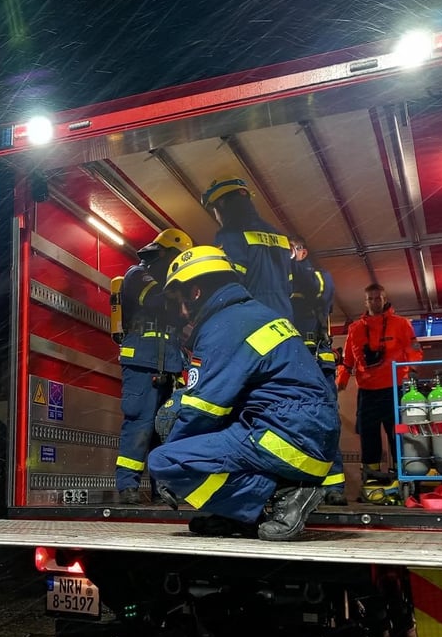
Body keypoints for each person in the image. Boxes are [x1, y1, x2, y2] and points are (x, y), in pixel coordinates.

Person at [147, 246, 339, 541]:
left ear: (195, 292)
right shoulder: (254, 314)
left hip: (287, 437)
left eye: (179, 299)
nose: (180, 310)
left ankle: (279, 498)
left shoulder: (222, 327)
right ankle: (237, 513)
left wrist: (174, 463)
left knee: (164, 458)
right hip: (305, 434)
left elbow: (203, 409)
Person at [115, 228, 193, 504]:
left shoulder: (175, 285)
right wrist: (177, 297)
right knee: (140, 423)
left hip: (169, 364)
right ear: (166, 252)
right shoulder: (138, 274)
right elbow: (156, 301)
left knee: (165, 427)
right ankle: (128, 486)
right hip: (142, 362)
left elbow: (183, 317)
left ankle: (162, 488)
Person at [335, 283, 422, 480]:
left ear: (385, 298)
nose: (375, 302)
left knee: (398, 435)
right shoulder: (355, 329)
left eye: (378, 298)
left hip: (395, 388)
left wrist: (413, 372)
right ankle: (371, 478)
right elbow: (347, 360)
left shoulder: (401, 324)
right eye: (371, 299)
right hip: (367, 391)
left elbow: (414, 350)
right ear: (365, 302)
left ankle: (403, 476)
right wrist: (341, 383)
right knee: (368, 437)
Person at [289, 234, 345, 504]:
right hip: (288, 363)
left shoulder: (319, 276)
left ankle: (334, 486)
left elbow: (315, 290)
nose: (289, 254)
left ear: (303, 251)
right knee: (289, 422)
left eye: (293, 249)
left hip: (316, 359)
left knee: (324, 421)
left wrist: (291, 263)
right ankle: (295, 487)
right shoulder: (278, 283)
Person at [200, 176, 293, 320]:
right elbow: (289, 287)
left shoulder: (230, 234)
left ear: (222, 203)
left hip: (252, 321)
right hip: (284, 321)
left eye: (215, 210)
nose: (216, 217)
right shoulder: (279, 236)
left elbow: (227, 284)